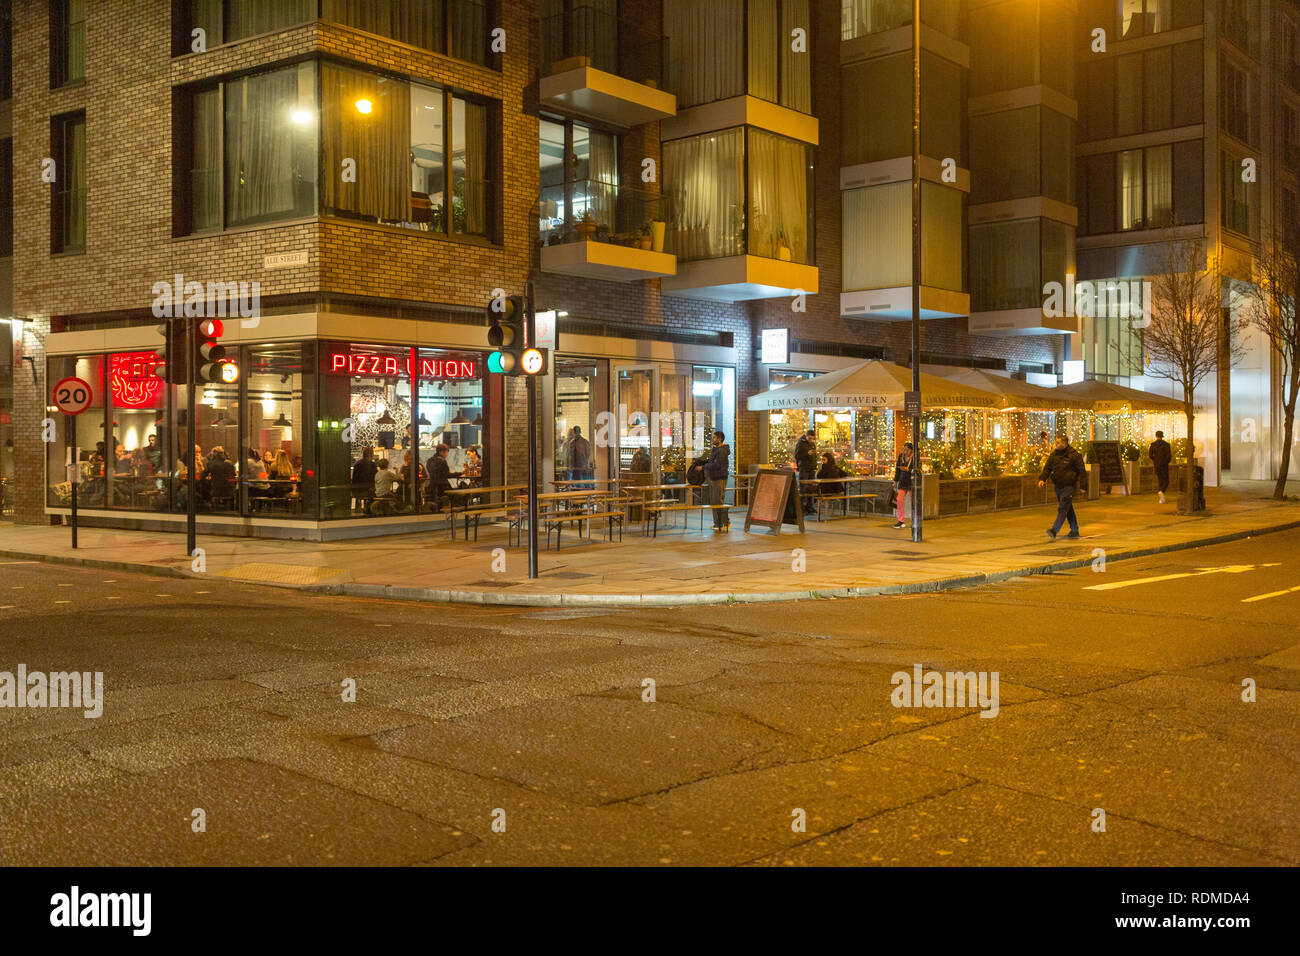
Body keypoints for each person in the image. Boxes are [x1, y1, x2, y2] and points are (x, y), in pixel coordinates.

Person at [1038, 435, 1087, 539]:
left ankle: (1054, 530)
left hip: (1069, 486)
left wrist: (1083, 486)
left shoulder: (1074, 455)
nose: (1056, 445)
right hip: (1058, 485)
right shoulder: (1054, 455)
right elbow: (1048, 468)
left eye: (1058, 443)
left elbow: (1082, 471)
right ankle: (1074, 530)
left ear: (1064, 443)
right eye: (1056, 443)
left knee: (1063, 508)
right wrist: (1042, 479)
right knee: (1067, 508)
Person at [705, 430, 731, 532]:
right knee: (715, 501)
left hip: (719, 478)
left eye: (714, 437)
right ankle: (718, 523)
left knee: (718, 501)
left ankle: (725, 522)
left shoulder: (722, 450)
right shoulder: (716, 449)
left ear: (719, 439)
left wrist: (704, 467)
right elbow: (712, 462)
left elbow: (717, 464)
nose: (712, 439)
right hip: (714, 478)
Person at [892, 441, 916, 529]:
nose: (905, 452)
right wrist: (895, 481)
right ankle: (901, 520)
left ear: (911, 450)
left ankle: (914, 521)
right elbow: (897, 469)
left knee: (913, 502)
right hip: (902, 481)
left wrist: (909, 470)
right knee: (899, 500)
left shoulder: (914, 458)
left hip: (912, 482)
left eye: (907, 450)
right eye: (904, 449)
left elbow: (917, 469)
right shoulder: (901, 456)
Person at [794, 428, 817, 515]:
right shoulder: (800, 443)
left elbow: (814, 456)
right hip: (804, 468)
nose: (811, 440)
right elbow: (797, 456)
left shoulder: (812, 444)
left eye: (812, 438)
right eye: (810, 438)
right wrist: (807, 454)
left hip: (811, 469)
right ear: (806, 436)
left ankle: (810, 506)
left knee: (811, 488)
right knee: (803, 488)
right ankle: (802, 507)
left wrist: (815, 466)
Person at [351, 446, 378, 514]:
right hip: (368, 490)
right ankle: (370, 510)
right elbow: (376, 478)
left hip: (357, 490)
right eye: (372, 453)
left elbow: (354, 479)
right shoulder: (372, 464)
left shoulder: (357, 463)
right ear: (370, 454)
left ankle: (359, 509)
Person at [1149, 430, 1173, 504]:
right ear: (1162, 436)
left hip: (1157, 464)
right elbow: (1169, 456)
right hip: (1164, 464)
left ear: (1156, 436)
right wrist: (1166, 461)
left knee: (1160, 479)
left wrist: (1155, 460)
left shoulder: (1153, 444)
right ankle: (1161, 491)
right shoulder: (1166, 445)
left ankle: (1161, 497)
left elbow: (1150, 455)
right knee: (1166, 480)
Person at [428, 443, 452, 512]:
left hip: (432, 487)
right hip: (443, 487)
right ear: (441, 452)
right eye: (446, 452)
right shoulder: (442, 461)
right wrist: (460, 473)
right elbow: (447, 475)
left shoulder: (429, 460)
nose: (447, 454)